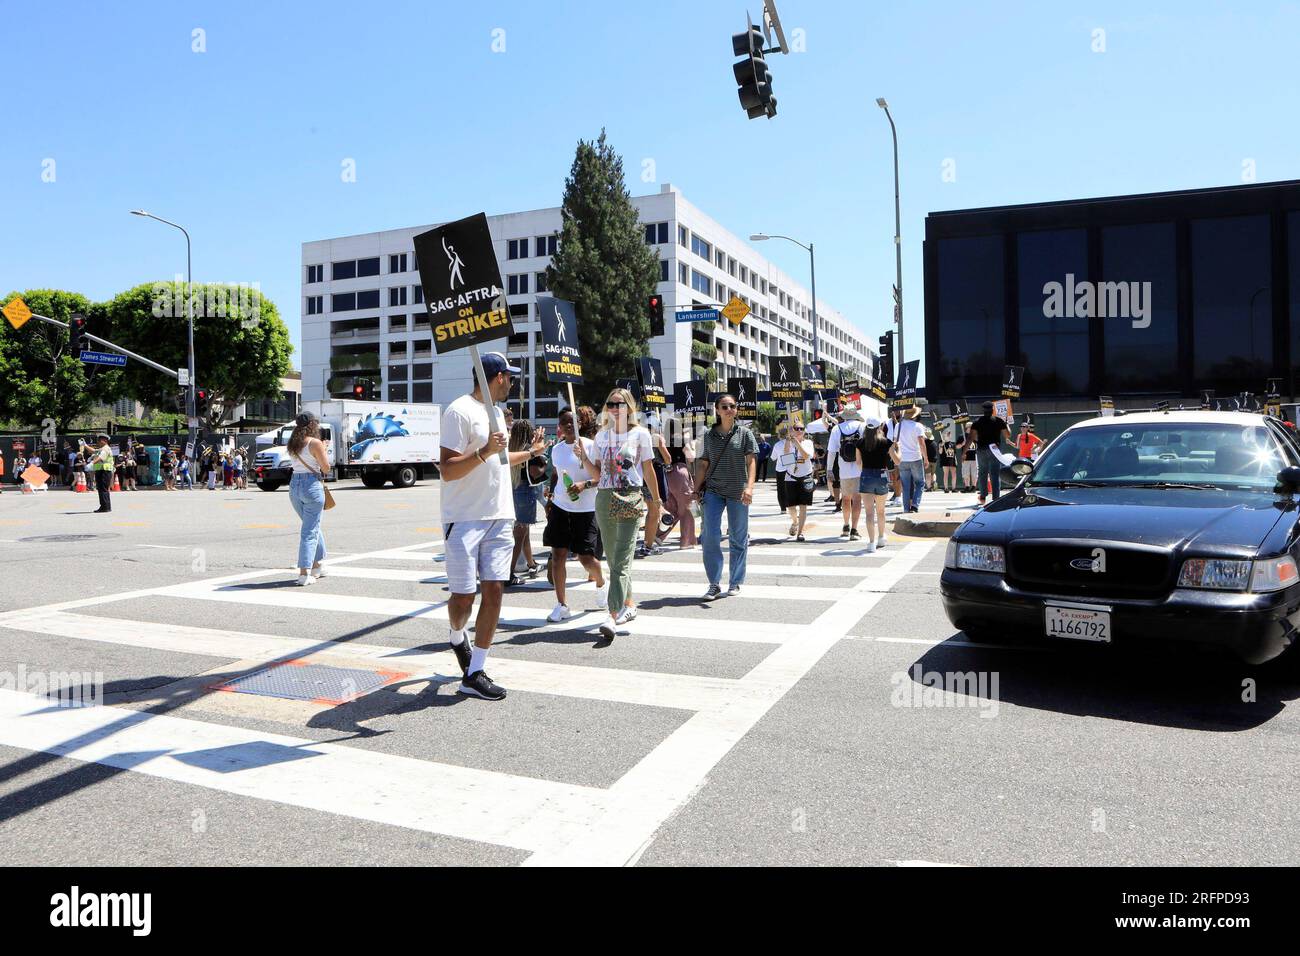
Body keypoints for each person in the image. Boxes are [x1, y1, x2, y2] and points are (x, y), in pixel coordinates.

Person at [438, 352, 545, 701]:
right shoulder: (458, 411)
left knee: (496, 590)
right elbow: (448, 470)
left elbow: (500, 460)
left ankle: (475, 671)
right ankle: (457, 635)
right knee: (464, 597)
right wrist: (484, 450)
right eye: (510, 377)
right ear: (498, 377)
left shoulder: (496, 413)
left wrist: (530, 452)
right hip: (464, 518)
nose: (512, 383)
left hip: (499, 516)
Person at [572, 386, 658, 640]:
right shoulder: (601, 437)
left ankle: (611, 614)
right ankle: (629, 604)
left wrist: (656, 500)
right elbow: (597, 476)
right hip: (605, 497)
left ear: (629, 407)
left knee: (621, 560)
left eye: (620, 404)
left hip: (630, 494)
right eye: (611, 403)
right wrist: (583, 458)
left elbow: (649, 470)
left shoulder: (640, 434)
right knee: (613, 558)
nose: (614, 408)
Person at [542, 407, 607, 622]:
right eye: (564, 422)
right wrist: (550, 497)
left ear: (579, 423)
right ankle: (562, 605)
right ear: (559, 427)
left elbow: (601, 478)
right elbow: (556, 474)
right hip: (561, 507)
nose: (568, 425)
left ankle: (600, 582)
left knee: (586, 559)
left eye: (572, 421)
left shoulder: (590, 446)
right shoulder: (557, 450)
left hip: (586, 510)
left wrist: (584, 484)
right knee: (558, 556)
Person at [694, 392, 758, 599]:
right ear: (717, 410)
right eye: (725, 406)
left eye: (732, 406)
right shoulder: (708, 436)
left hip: (738, 491)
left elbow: (751, 462)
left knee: (738, 537)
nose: (729, 409)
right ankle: (714, 582)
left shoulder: (745, 433)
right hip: (713, 490)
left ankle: (735, 581)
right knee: (709, 536)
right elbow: (703, 464)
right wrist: (696, 489)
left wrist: (749, 488)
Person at [286, 412, 331, 586]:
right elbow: (325, 468)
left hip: (294, 486)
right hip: (311, 486)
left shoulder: (293, 443)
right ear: (313, 425)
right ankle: (304, 572)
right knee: (310, 531)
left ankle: (318, 564)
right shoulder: (315, 443)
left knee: (311, 525)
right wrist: (324, 449)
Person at [508, 418, 544, 586]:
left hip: (514, 490)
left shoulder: (512, 449)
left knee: (524, 532)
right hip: (525, 492)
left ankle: (531, 564)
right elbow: (536, 472)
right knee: (520, 533)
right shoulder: (529, 451)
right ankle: (509, 572)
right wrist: (544, 457)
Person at [857, 417, 900, 552]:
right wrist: (900, 450)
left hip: (866, 476)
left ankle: (871, 543)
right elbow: (897, 461)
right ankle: (881, 537)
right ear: (879, 427)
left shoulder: (860, 443)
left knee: (869, 513)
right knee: (881, 511)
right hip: (881, 476)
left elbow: (858, 463)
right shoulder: (886, 442)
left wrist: (866, 471)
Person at [828, 406, 868, 540]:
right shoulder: (862, 426)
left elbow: (832, 452)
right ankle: (854, 530)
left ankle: (846, 526)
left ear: (844, 415)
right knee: (857, 499)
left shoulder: (836, 428)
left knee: (846, 499)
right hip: (859, 468)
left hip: (843, 469)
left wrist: (829, 469)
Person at [775, 419, 815, 541]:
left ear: (804, 431)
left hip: (805, 477)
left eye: (801, 429)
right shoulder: (788, 442)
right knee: (791, 506)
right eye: (796, 428)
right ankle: (795, 522)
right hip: (791, 477)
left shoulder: (808, 442)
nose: (799, 431)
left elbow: (807, 455)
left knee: (803, 506)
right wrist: (789, 439)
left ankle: (801, 532)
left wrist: (797, 443)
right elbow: (786, 453)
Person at [662, 415, 697, 548]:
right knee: (686, 509)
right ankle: (686, 541)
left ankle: (658, 536)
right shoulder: (680, 439)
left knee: (671, 509)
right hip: (680, 473)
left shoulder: (663, 439)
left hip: (666, 474)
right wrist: (692, 445)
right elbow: (691, 457)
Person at [638, 423, 672, 557]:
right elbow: (667, 458)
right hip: (655, 474)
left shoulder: (638, 437)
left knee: (651, 511)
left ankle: (648, 543)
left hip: (642, 475)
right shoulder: (655, 437)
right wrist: (668, 465)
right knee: (654, 513)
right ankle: (647, 546)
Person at [968, 401, 1011, 506]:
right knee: (995, 474)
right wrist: (1006, 424)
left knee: (982, 473)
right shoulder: (998, 421)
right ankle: (995, 498)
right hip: (994, 450)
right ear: (993, 410)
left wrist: (964, 451)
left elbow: (971, 438)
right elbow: (1007, 435)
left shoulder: (977, 422)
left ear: (983, 410)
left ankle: (983, 496)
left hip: (982, 449)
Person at [896, 406, 930, 514]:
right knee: (920, 483)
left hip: (902, 458)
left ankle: (906, 508)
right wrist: (926, 458)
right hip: (915, 457)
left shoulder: (898, 425)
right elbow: (921, 443)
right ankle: (915, 506)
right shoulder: (918, 426)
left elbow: (894, 442)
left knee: (905, 486)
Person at [86, 435, 114, 512]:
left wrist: (92, 463)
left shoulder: (105, 449)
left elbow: (100, 457)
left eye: (99, 440)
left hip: (104, 471)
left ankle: (105, 507)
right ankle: (105, 506)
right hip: (101, 470)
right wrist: (85, 445)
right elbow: (93, 451)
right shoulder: (102, 448)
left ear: (105, 441)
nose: (98, 442)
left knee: (103, 489)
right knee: (102, 489)